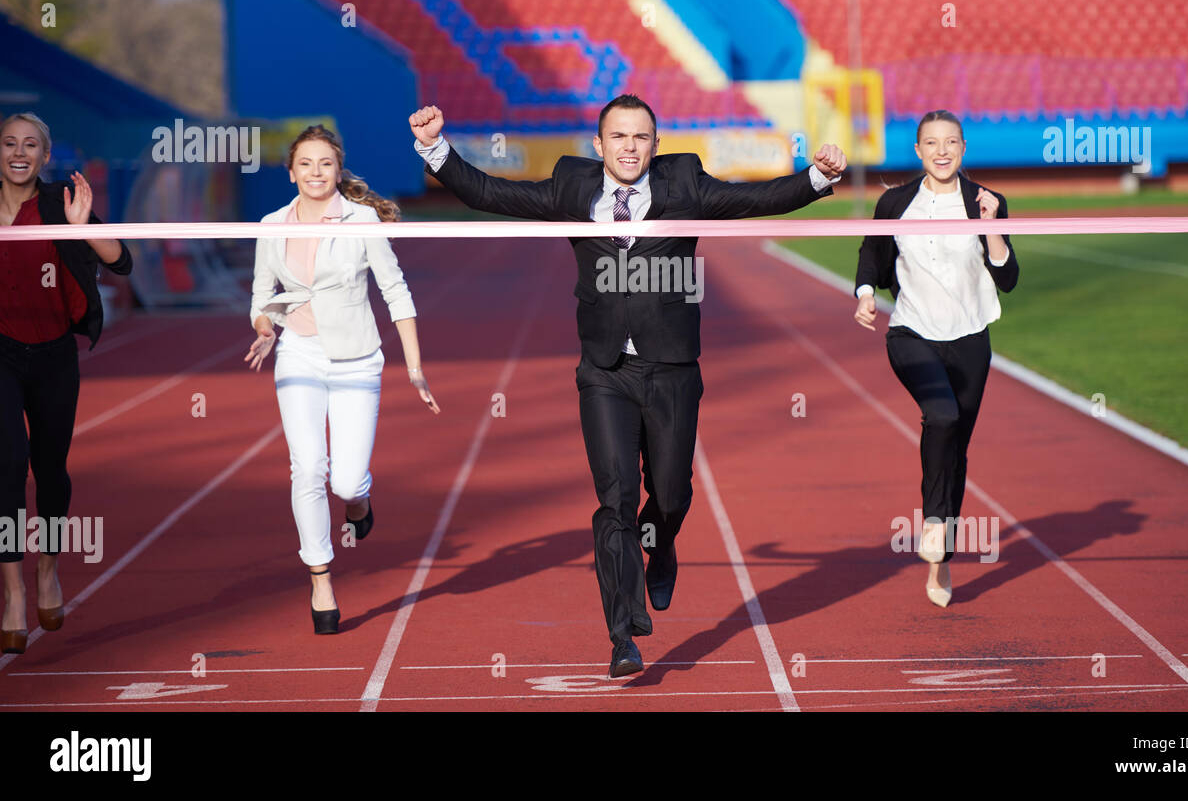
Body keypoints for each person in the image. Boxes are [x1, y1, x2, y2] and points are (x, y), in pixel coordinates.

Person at [409, 94, 846, 677]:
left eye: (641, 137)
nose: (630, 147)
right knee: (614, 501)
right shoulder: (570, 187)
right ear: (599, 145)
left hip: (672, 370)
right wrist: (436, 148)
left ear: (656, 145)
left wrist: (818, 175)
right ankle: (622, 636)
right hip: (605, 373)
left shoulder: (685, 183)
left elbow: (755, 198)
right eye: (619, 137)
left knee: (670, 493)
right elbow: (494, 193)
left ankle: (661, 547)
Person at [246, 124, 438, 635]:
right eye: (305, 164)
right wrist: (265, 326)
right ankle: (321, 576)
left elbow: (396, 293)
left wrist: (415, 369)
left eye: (324, 163)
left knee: (346, 479)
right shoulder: (271, 224)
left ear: (337, 169)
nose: (314, 172)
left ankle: (359, 499)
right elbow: (262, 295)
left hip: (356, 358)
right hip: (299, 356)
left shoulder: (363, 219)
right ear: (291, 172)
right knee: (307, 467)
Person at [852, 109, 1018, 607]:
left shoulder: (987, 201)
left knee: (956, 447)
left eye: (951, 142)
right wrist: (864, 292)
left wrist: (990, 226)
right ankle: (931, 521)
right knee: (940, 415)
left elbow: (1007, 277)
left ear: (963, 149)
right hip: (911, 332)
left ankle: (940, 557)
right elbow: (871, 256)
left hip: (970, 337)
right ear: (918, 151)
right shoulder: (895, 202)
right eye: (932, 143)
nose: (942, 151)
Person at [0, 112, 133, 654]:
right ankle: (11, 589)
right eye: (9, 142)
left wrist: (82, 229)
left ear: (45, 156)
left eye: (30, 144)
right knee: (7, 464)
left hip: (55, 354)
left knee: (49, 469)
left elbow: (121, 261)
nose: (18, 152)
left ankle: (47, 569)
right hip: (0, 352)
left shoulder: (59, 202)